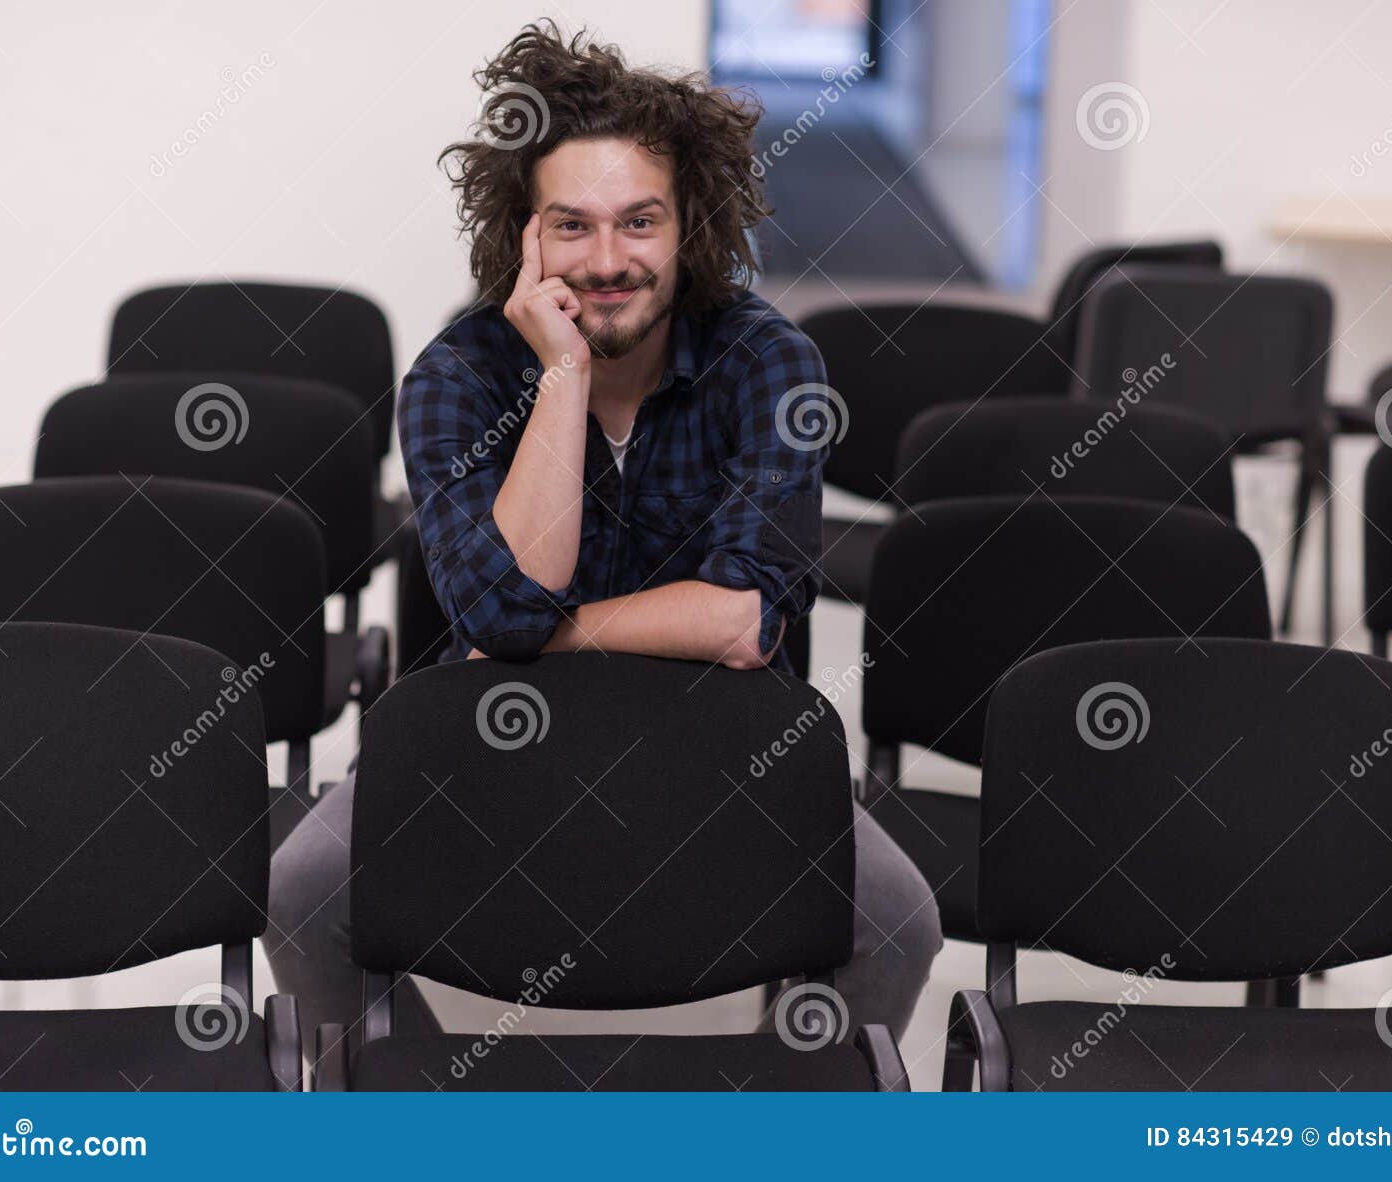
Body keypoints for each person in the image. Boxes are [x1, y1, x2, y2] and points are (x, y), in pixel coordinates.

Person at [265, 21, 941, 1055]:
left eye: (640, 222)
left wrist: (548, 630)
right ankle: (396, 1110)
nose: (609, 260)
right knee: (304, 889)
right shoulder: (459, 376)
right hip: (494, 728)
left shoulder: (770, 363)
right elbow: (497, 609)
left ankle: (798, 1120)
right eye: (571, 227)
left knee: (898, 920)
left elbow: (745, 621)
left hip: (721, 745)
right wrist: (562, 377)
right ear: (523, 237)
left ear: (689, 227)